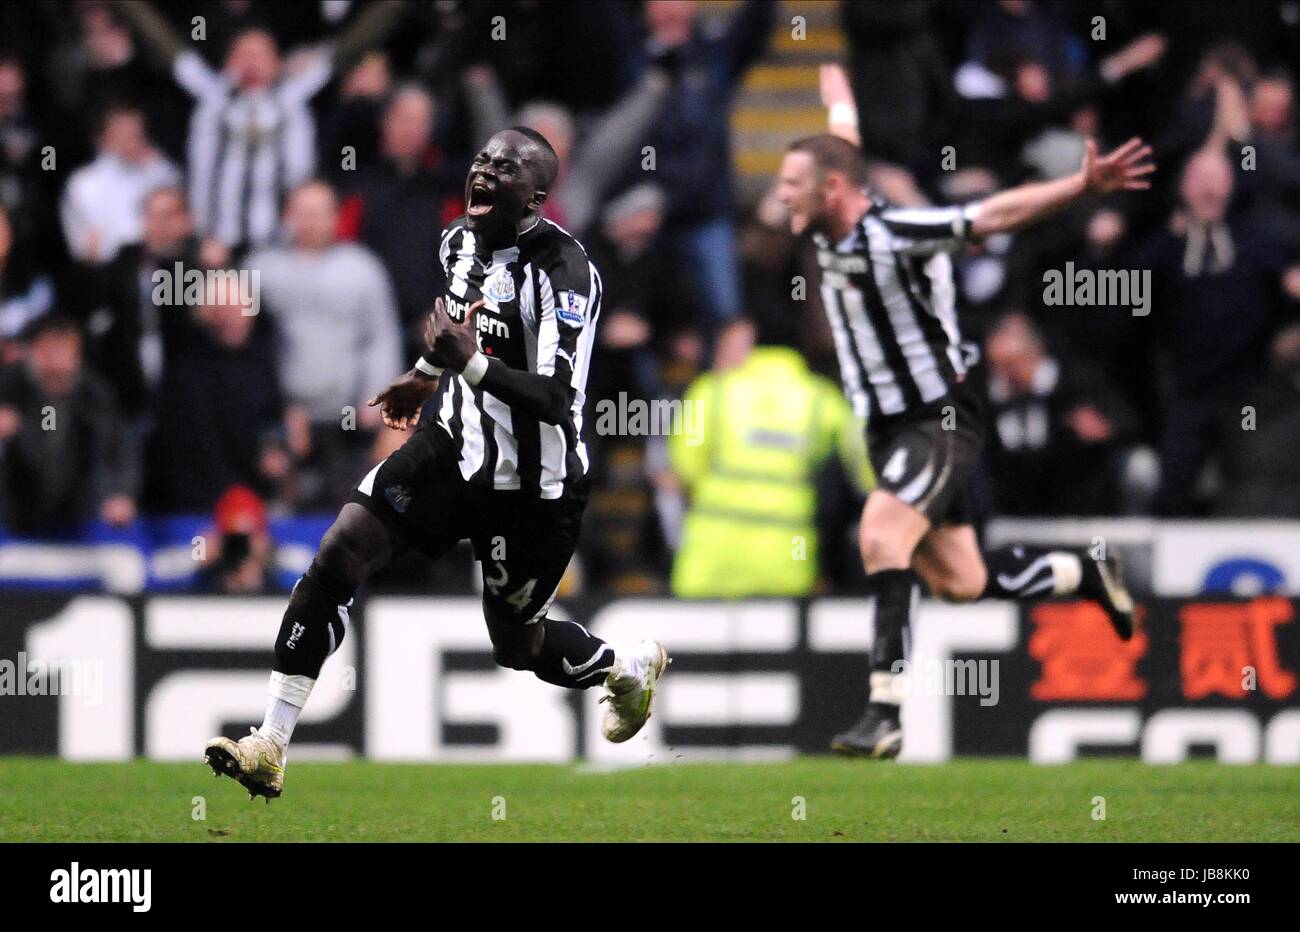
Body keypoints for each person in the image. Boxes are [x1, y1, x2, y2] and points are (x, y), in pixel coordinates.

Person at [205, 128, 667, 800]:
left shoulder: (567, 274)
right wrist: (423, 377)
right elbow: (456, 328)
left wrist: (467, 363)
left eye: (504, 167)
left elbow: (557, 398)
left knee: (517, 646)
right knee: (341, 549)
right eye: (480, 159)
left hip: (533, 487)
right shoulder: (457, 241)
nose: (483, 170)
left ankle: (623, 668)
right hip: (452, 448)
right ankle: (271, 742)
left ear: (537, 195)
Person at [775, 126, 1152, 759]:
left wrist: (1082, 185)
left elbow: (992, 215)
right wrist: (838, 101)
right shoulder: (828, 224)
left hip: (937, 419)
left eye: (791, 184)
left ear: (831, 189)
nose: (780, 196)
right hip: (886, 432)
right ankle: (1082, 571)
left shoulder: (898, 233)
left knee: (879, 534)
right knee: (963, 583)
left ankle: (883, 713)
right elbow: (839, 157)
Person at [669, 317, 867, 598]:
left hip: (712, 562)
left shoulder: (713, 390)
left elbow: (685, 467)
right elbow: (862, 462)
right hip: (787, 565)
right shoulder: (821, 398)